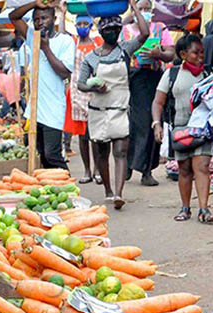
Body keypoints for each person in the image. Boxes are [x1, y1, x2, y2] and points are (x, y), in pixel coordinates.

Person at [77, 8, 149, 209]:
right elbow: (80, 84)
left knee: (120, 151)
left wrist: (135, 8)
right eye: (109, 30)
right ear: (101, 33)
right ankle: (108, 190)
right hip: (99, 110)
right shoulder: (91, 58)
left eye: (117, 29)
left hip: (120, 108)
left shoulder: (125, 50)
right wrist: (94, 85)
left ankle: (118, 193)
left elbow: (144, 34)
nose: (113, 33)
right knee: (101, 153)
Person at [152, 33, 213, 223]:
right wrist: (157, 124)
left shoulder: (209, 73)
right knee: (185, 169)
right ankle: (186, 207)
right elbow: (158, 102)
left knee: (202, 166)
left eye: (202, 53)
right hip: (181, 129)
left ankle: (204, 209)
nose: (200, 56)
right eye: (196, 53)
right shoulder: (172, 74)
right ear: (182, 54)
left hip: (204, 128)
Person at [11, 1, 76, 171]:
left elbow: (64, 73)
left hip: (53, 109)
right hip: (35, 108)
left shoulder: (65, 41)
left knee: (52, 154)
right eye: (36, 19)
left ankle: (68, 185)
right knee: (40, 155)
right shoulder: (33, 36)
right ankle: (52, 189)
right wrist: (35, 3)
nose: (40, 22)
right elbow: (14, 17)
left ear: (54, 19)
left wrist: (45, 48)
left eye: (44, 18)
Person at [123, 0, 174, 186]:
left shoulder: (160, 28)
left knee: (154, 122)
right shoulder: (126, 29)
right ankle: (129, 164)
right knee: (135, 124)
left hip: (154, 78)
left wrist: (158, 54)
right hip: (134, 79)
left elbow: (171, 54)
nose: (144, 12)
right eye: (140, 8)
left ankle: (147, 170)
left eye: (147, 9)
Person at [69, 15, 102, 183]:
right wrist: (61, 13)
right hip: (77, 93)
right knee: (82, 136)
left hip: (94, 92)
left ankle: (97, 169)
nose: (82, 26)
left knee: (95, 135)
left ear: (90, 26)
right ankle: (87, 170)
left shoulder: (98, 43)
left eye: (85, 24)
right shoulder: (72, 43)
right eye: (79, 24)